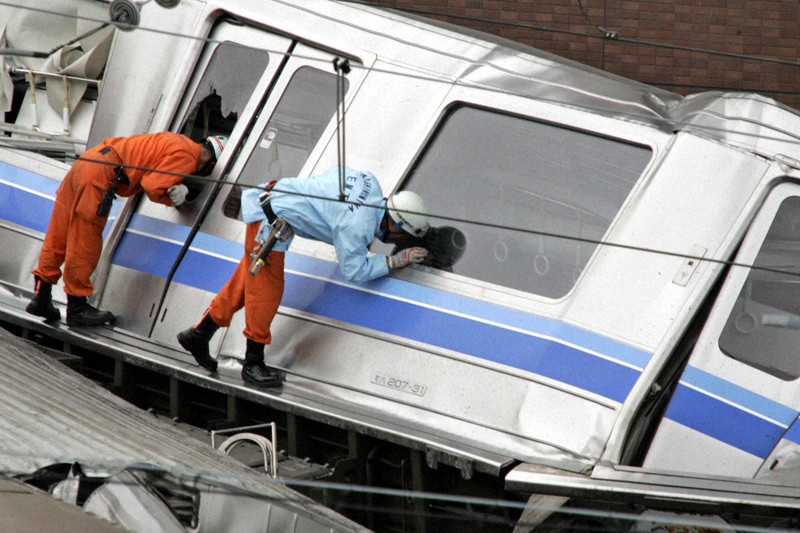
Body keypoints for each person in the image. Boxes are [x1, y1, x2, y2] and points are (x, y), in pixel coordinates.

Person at [177, 166, 430, 388]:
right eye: (401, 235)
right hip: (271, 221)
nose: (399, 240)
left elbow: (332, 174)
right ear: (395, 225)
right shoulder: (357, 227)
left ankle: (199, 334)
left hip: (271, 199)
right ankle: (252, 363)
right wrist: (394, 261)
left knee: (247, 282)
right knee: (268, 291)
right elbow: (354, 270)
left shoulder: (370, 182)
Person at [26, 132, 227, 327]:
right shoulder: (189, 156)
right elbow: (153, 185)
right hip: (100, 176)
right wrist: (174, 197)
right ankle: (77, 308)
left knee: (59, 233)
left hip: (87, 163)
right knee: (85, 240)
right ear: (210, 163)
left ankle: (40, 296)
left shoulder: (179, 141)